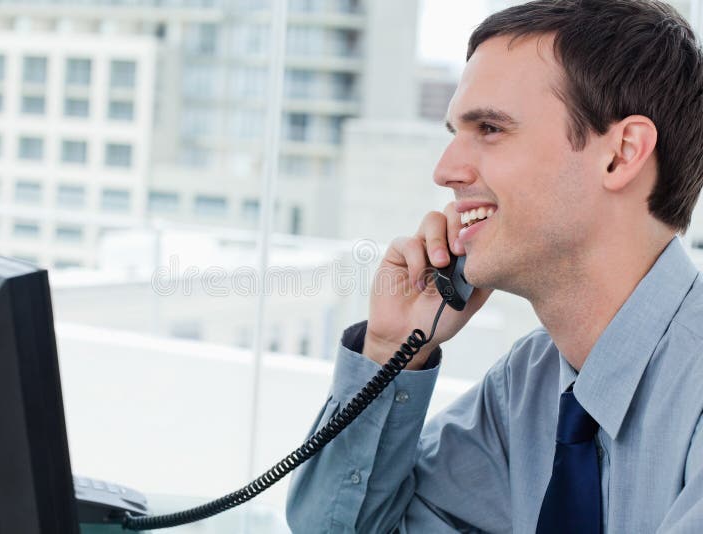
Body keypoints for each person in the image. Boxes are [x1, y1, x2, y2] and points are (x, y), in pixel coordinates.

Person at [285, 0, 703, 532]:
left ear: (620, 154)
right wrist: (394, 350)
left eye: (489, 128)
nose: (445, 171)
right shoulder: (527, 387)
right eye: (454, 132)